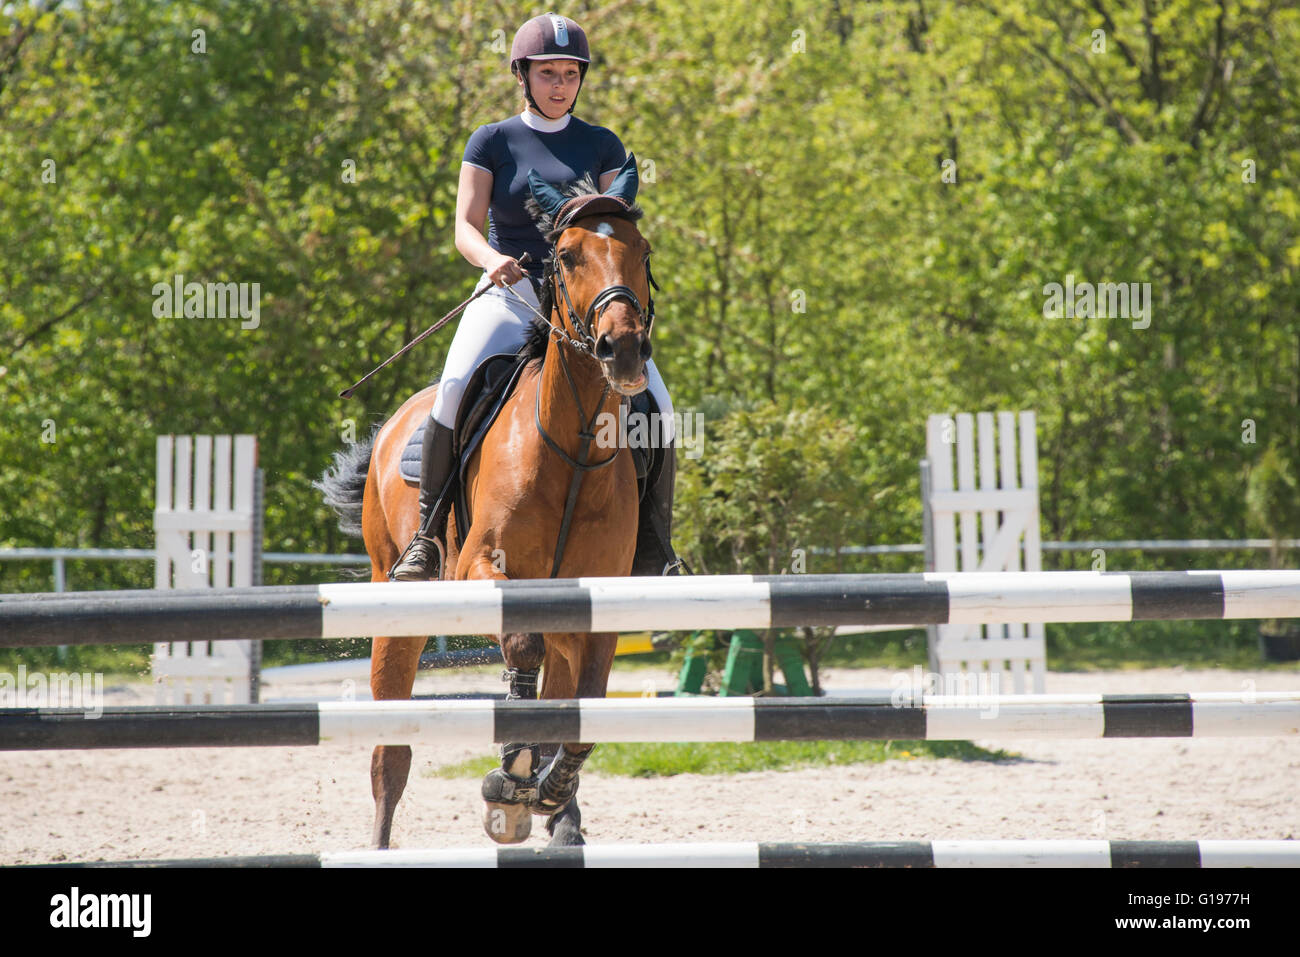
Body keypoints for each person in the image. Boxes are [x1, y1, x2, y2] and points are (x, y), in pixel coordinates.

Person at [391, 12, 678, 581]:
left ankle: (653, 544)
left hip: (577, 302)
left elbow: (606, 231)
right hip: (509, 291)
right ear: (523, 75)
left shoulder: (602, 144)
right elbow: (465, 227)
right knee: (451, 390)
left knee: (659, 409)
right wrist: (492, 260)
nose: (560, 85)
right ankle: (427, 538)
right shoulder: (492, 140)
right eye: (548, 72)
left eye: (570, 74)